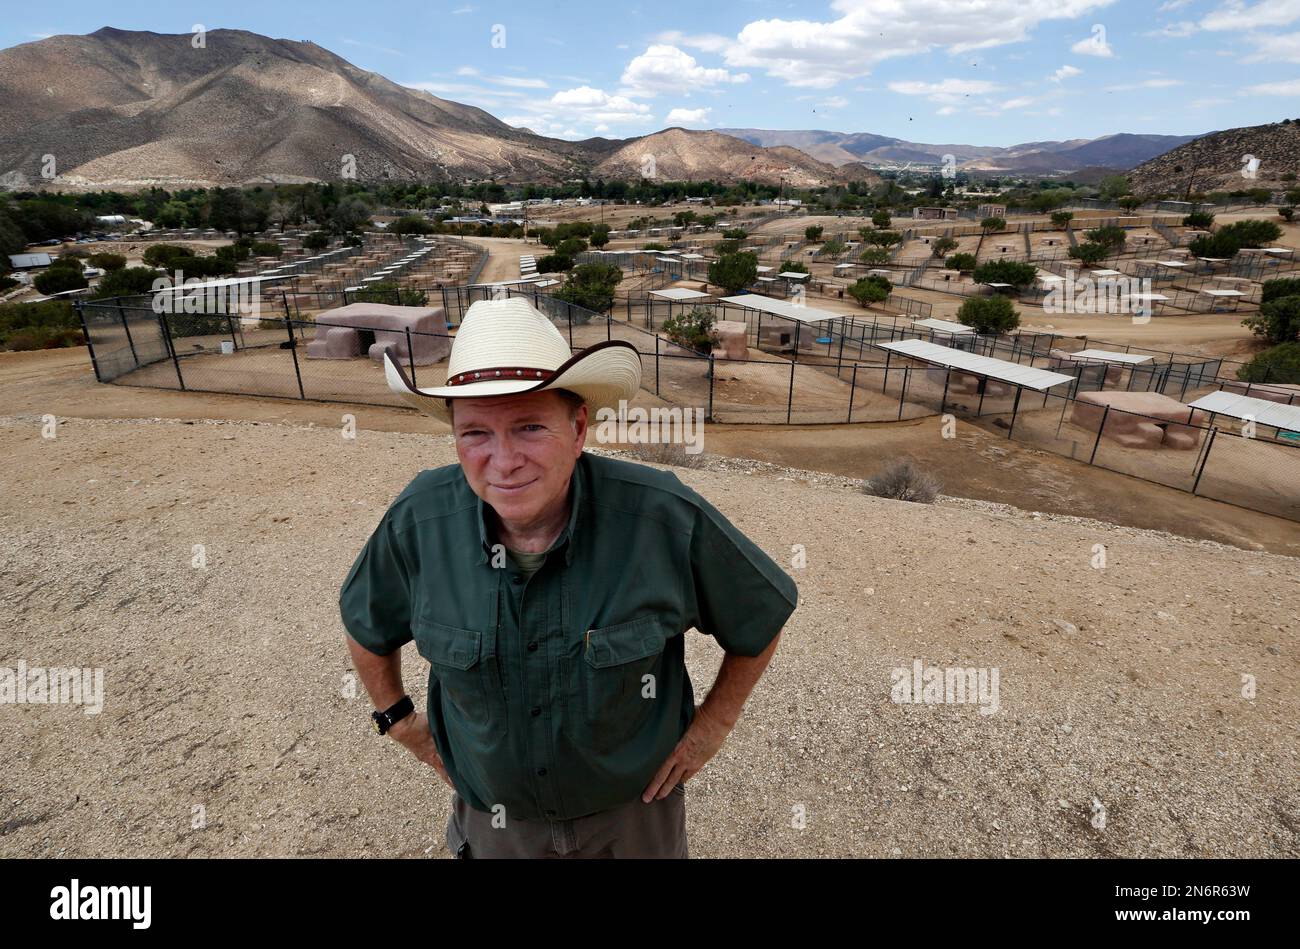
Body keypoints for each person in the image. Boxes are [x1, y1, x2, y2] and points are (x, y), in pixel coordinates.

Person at [339, 297, 797, 858]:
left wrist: (713, 726)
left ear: (578, 428)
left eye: (530, 426)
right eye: (475, 433)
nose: (503, 461)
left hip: (632, 821)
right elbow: (365, 622)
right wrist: (399, 720)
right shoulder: (419, 521)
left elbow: (761, 615)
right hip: (496, 823)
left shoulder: (662, 519)